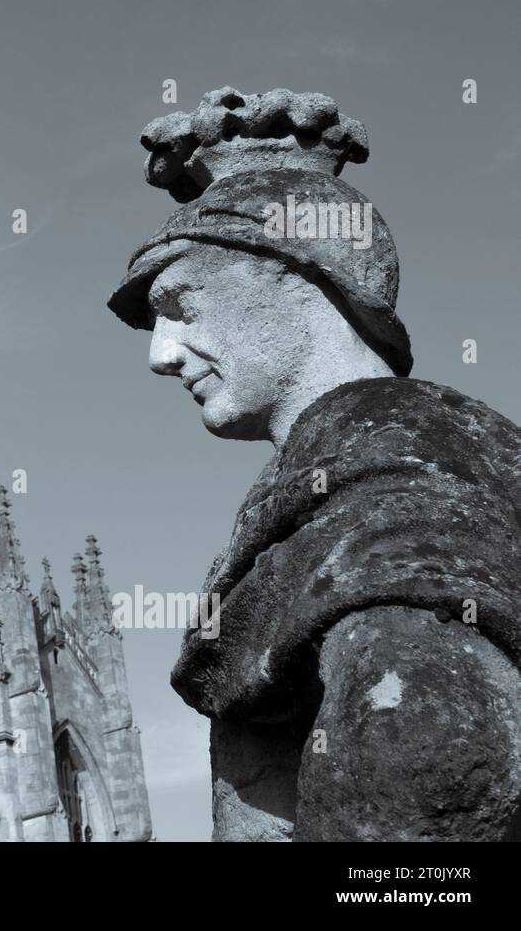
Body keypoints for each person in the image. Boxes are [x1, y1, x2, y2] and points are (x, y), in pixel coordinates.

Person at [107, 87, 521, 841]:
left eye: (181, 304)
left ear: (300, 277)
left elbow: (436, 759)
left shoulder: (399, 474)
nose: (159, 356)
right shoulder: (355, 475)